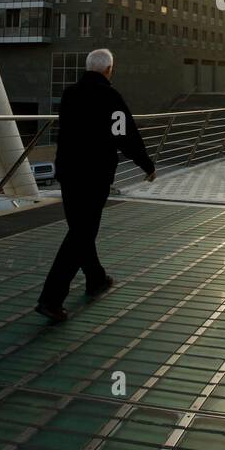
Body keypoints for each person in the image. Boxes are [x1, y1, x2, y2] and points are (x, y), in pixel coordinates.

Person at [36, 48, 156, 323]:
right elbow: (125, 135)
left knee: (80, 229)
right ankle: (50, 299)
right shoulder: (110, 96)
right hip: (95, 175)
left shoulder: (69, 94)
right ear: (109, 69)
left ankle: (96, 278)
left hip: (68, 172)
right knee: (81, 234)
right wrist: (146, 165)